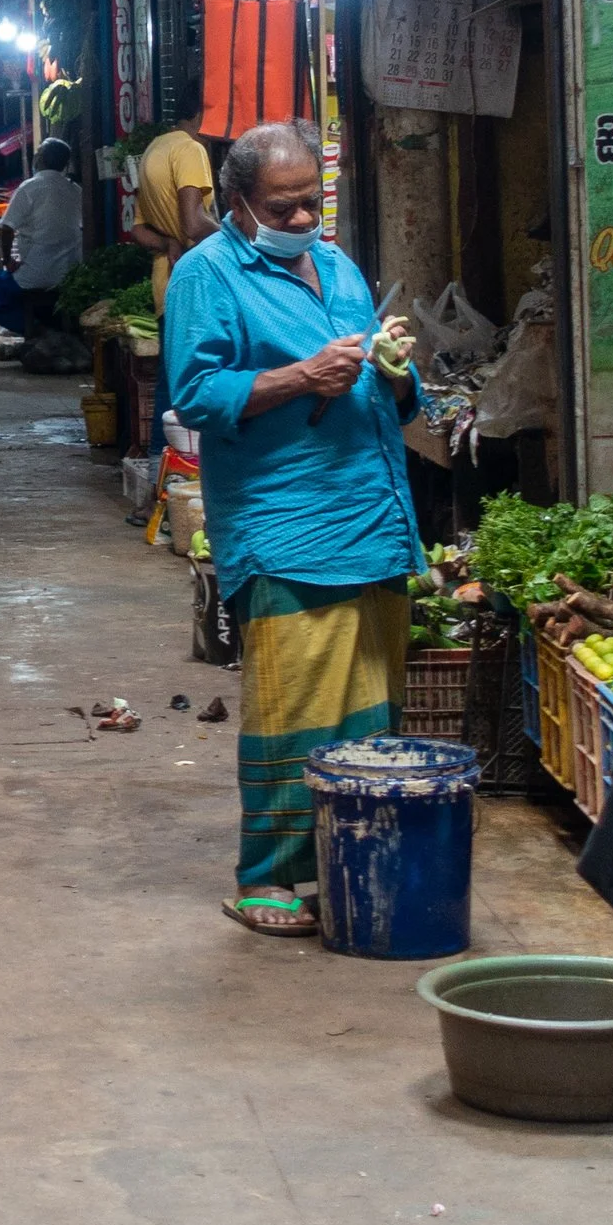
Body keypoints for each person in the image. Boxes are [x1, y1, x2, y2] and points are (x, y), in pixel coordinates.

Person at [163, 120, 419, 936]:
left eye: (314, 201)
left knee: (371, 710)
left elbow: (387, 393)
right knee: (294, 708)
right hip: (287, 524)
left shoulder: (340, 267)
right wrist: (300, 377)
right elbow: (197, 396)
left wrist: (394, 370)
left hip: (372, 518)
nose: (305, 219)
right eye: (285, 206)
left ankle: (355, 850)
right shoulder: (207, 276)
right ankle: (268, 876)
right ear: (239, 203)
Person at [0, 138, 84, 339]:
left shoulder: (29, 188)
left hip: (34, 273)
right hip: (69, 272)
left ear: (40, 158)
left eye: (38, 152)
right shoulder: (75, 190)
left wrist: (7, 261)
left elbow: (7, 229)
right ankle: (43, 325)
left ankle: (34, 328)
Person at [130, 124, 221, 312]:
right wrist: (237, 237)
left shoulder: (153, 148)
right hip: (193, 289)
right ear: (202, 115)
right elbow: (194, 226)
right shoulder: (190, 148)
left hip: (164, 290)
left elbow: (138, 230)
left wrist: (167, 242)